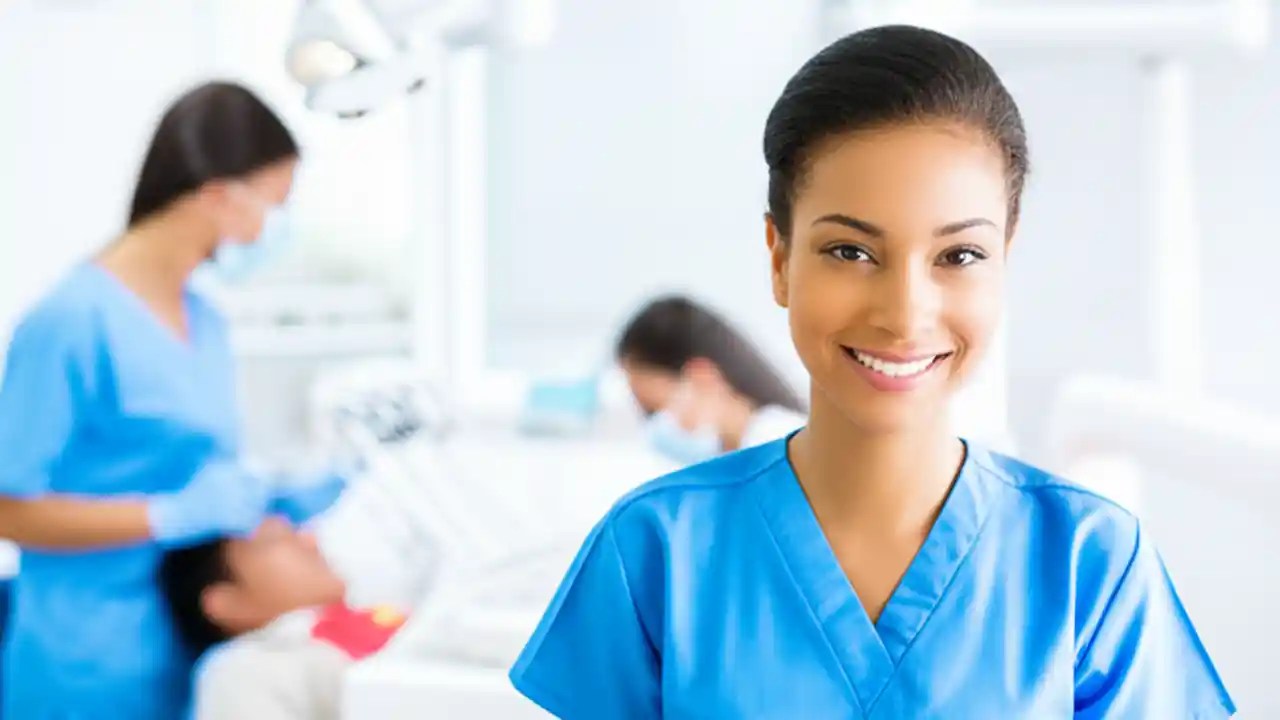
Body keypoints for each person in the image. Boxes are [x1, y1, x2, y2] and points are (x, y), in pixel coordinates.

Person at [509, 26, 1234, 718]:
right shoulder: (654, 552)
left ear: (1006, 258)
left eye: (959, 256)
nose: (905, 313)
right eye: (851, 252)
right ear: (779, 258)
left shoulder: (1089, 565)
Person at [0, 81, 344, 719]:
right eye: (275, 205)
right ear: (217, 195)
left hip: (184, 647)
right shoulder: (71, 321)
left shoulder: (205, 320)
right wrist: (164, 516)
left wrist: (277, 496)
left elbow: (195, 470)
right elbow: (8, 511)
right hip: (84, 659)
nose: (278, 228)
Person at [159, 518, 406, 720]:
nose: (310, 542)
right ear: (229, 604)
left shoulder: (381, 611)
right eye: (273, 541)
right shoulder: (240, 670)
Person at [616, 295, 806, 465]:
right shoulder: (733, 462)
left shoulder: (787, 452)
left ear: (701, 377)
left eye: (653, 409)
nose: (655, 427)